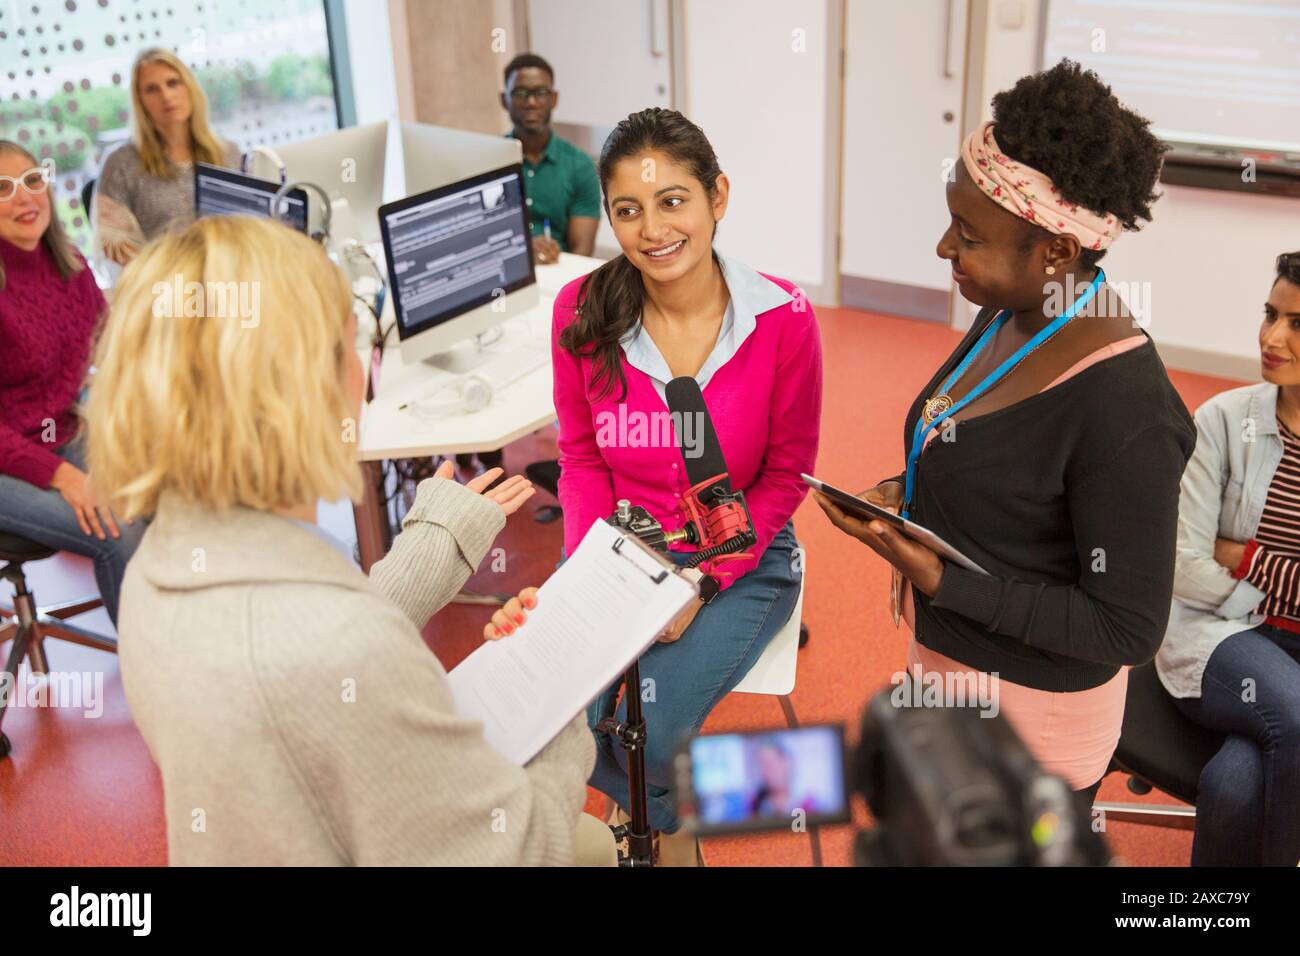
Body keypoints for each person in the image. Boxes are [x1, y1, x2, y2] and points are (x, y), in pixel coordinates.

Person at [85, 215, 610, 866]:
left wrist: (434, 541)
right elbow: (524, 848)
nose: (364, 368)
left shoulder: (156, 569)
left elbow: (295, 642)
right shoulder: (336, 647)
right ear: (298, 390)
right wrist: (560, 695)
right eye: (350, 346)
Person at [814, 60, 1195, 807]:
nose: (943, 249)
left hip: (1036, 717)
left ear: (1053, 249)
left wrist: (941, 581)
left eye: (967, 234)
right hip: (954, 670)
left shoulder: (1125, 406)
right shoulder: (1016, 313)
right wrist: (906, 495)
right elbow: (998, 467)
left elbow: (1124, 627)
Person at [552, 107, 823, 854]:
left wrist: (699, 584)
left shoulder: (783, 318)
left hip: (741, 557)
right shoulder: (580, 310)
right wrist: (595, 578)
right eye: (628, 210)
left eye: (673, 201)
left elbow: (786, 476)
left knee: (654, 724)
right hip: (623, 554)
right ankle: (645, 804)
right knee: (572, 714)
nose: (652, 230)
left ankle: (656, 827)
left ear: (718, 198)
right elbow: (580, 459)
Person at [1156, 250, 1300, 867]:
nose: (1271, 337)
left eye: (1297, 323)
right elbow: (1183, 563)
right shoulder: (1222, 420)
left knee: (1232, 787)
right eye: (1270, 314)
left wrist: (1244, 557)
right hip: (1226, 634)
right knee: (1295, 712)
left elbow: (1216, 554)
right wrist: (1257, 597)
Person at [0, 140, 143, 626]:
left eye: (32, 181)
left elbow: (111, 352)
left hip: (58, 431)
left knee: (163, 493)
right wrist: (66, 478)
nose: (24, 199)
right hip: (6, 458)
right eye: (3, 189)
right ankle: (159, 687)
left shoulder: (71, 266)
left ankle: (185, 645)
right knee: (115, 534)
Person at [94, 47, 240, 268]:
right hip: (165, 285)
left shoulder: (228, 153)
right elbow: (113, 244)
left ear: (189, 87)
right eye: (152, 89)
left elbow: (249, 226)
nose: (166, 96)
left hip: (231, 276)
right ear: (140, 101)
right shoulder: (121, 164)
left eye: (173, 83)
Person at [500, 52, 601, 264]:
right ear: (504, 100)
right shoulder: (488, 162)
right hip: (504, 268)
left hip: (558, 270)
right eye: (520, 93)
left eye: (541, 92)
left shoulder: (580, 165)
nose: (531, 102)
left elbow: (582, 251)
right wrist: (524, 251)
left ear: (554, 99)